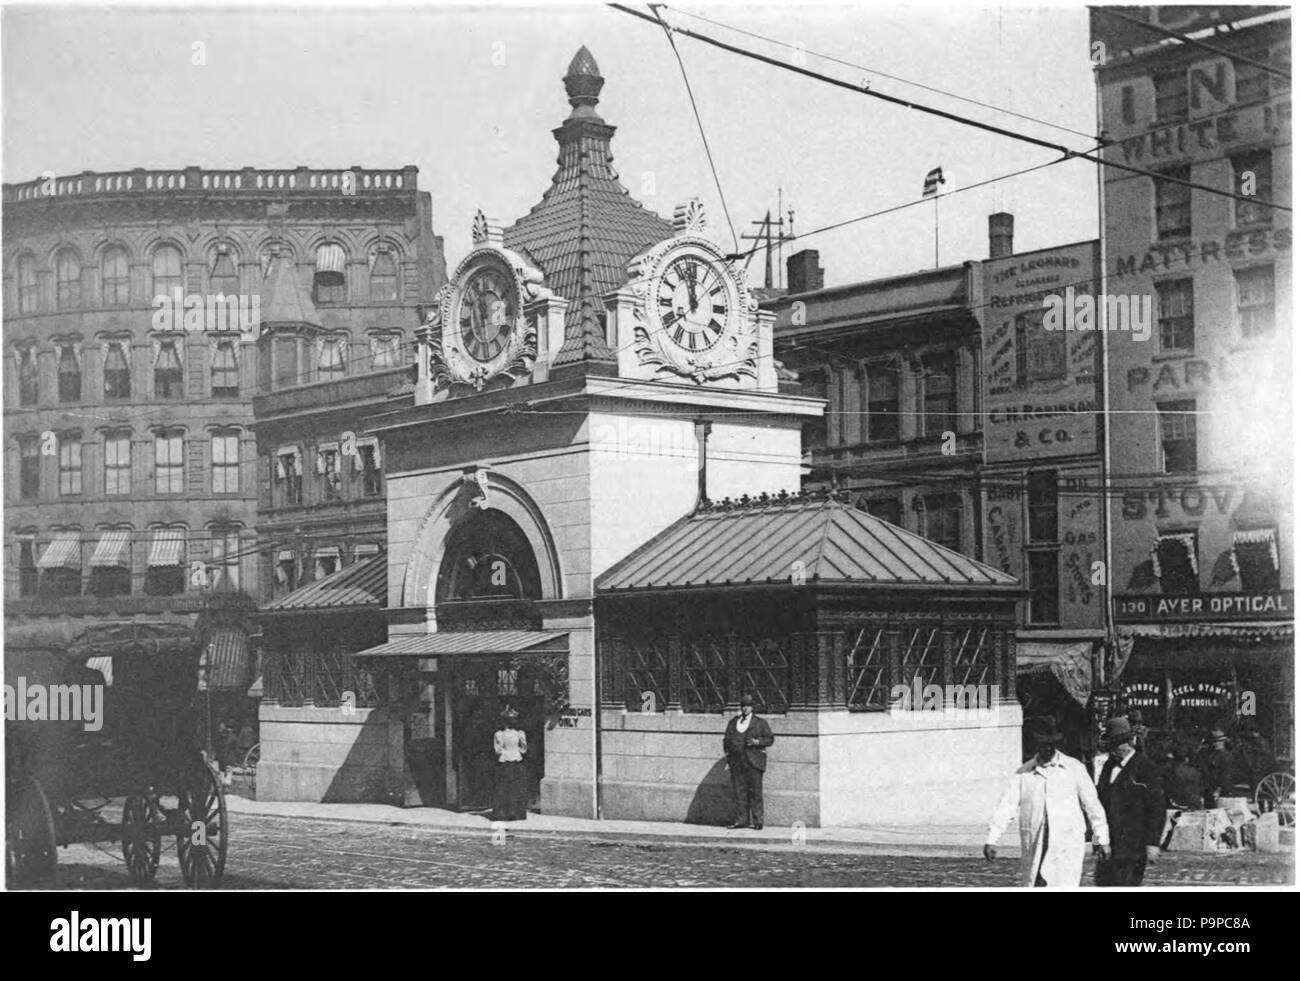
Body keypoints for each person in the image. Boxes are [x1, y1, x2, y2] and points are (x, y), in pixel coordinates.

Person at [984, 716, 1110, 887]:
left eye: (1052, 744)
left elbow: (1093, 806)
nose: (1048, 748)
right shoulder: (1024, 773)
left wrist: (1102, 839)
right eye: (1044, 744)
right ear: (1037, 745)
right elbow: (1007, 806)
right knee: (1037, 882)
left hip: (1066, 844)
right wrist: (992, 838)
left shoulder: (1074, 769)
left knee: (1064, 883)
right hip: (1037, 843)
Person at [1095, 716, 1166, 886]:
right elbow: (1100, 800)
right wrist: (1099, 838)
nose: (1112, 750)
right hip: (1110, 842)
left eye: (1115, 745)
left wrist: (1152, 843)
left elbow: (1156, 808)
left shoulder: (1145, 767)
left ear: (1126, 745)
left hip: (1133, 845)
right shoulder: (1108, 766)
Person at [723, 693, 774, 830]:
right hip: (737, 763)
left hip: (754, 762)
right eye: (744, 706)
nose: (745, 709)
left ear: (753, 708)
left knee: (755, 792)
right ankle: (741, 820)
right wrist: (729, 756)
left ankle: (758, 821)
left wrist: (757, 742)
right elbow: (726, 740)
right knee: (739, 792)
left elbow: (769, 739)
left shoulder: (760, 723)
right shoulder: (734, 722)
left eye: (748, 706)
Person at [491, 707, 528, 822]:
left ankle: (502, 813)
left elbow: (498, 750)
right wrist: (516, 751)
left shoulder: (499, 734)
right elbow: (524, 749)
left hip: (504, 762)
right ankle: (515, 812)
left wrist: (505, 752)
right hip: (517, 761)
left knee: (502, 787)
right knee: (516, 787)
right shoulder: (519, 734)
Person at [1197, 729, 1235, 806]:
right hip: (1210, 787)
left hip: (1221, 789)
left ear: (1223, 742)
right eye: (1214, 742)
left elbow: (1226, 774)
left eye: (1218, 742)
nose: (1216, 744)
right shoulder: (1212, 754)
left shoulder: (1226, 756)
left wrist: (1218, 789)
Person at [1165, 741, 1203, 810]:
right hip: (1193, 803)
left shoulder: (1168, 771)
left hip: (1173, 804)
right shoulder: (1194, 772)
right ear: (1187, 759)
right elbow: (1199, 789)